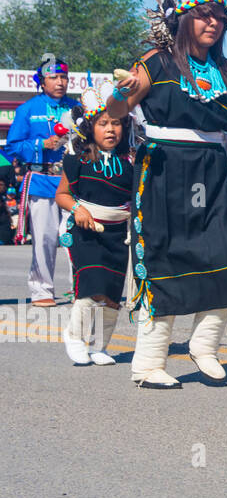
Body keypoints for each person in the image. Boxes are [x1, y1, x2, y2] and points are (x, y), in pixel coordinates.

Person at [109, 0, 227, 388]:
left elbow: (222, 121)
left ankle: (205, 345)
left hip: (213, 169)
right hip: (163, 169)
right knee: (165, 258)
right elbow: (117, 110)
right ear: (182, 18)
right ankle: (149, 362)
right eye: (203, 15)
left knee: (223, 253)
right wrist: (121, 94)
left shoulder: (226, 68)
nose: (213, 22)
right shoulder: (156, 62)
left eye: (219, 16)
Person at [55, 82, 133, 366]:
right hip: (85, 232)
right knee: (91, 284)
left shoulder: (131, 161)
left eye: (116, 123)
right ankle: (75, 338)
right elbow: (62, 195)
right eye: (103, 123)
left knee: (111, 294)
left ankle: (100, 345)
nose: (111, 129)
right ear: (91, 127)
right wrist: (78, 209)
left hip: (117, 235)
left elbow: (138, 199)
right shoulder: (78, 159)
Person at [5, 54, 76, 306]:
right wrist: (40, 144)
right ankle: (42, 291)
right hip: (41, 179)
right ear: (42, 82)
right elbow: (12, 147)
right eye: (53, 77)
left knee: (72, 235)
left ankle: (81, 289)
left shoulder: (77, 108)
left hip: (72, 181)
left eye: (64, 77)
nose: (60, 82)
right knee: (45, 239)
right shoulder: (28, 109)